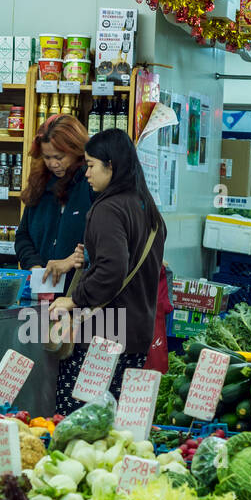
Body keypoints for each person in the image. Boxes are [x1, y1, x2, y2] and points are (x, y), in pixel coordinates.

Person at [50, 128, 166, 415]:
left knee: (80, 423)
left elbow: (113, 269)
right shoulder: (145, 205)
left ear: (110, 165)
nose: (86, 174)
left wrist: (75, 299)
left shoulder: (109, 208)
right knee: (118, 426)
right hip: (136, 333)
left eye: (90, 166)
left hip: (103, 337)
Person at [15, 114, 92, 290]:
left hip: (82, 292)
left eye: (59, 157)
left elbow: (108, 240)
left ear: (77, 150)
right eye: (47, 157)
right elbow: (23, 236)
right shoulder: (40, 183)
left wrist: (77, 259)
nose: (53, 164)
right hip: (42, 291)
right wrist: (35, 267)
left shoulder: (91, 184)